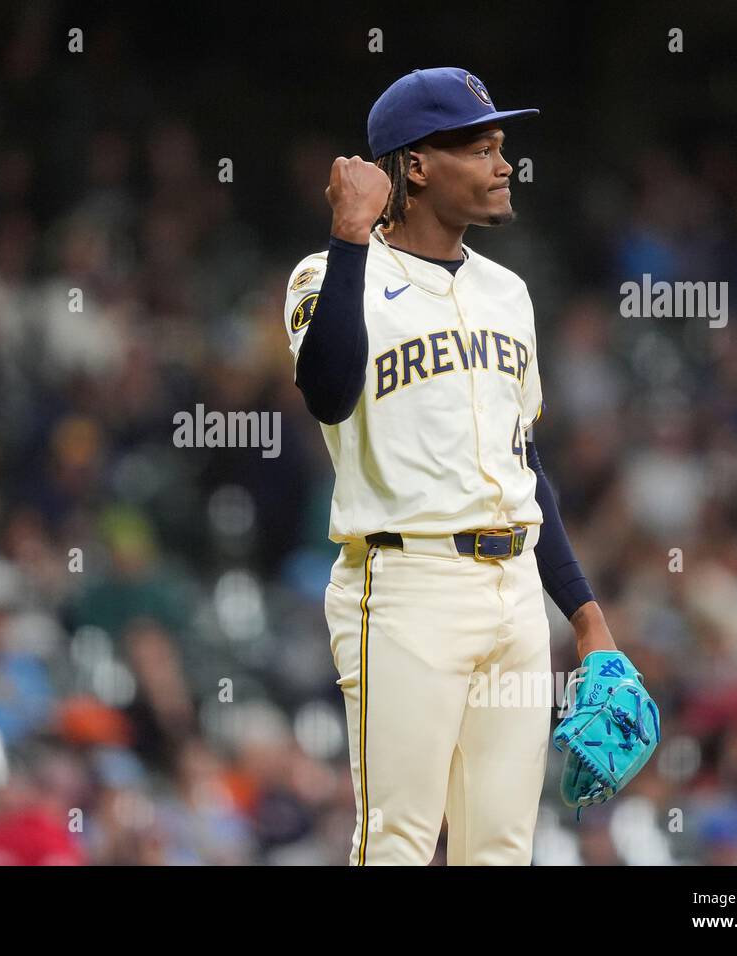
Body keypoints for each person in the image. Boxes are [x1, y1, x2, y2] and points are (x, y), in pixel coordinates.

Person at [282, 67, 617, 865]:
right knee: (396, 843)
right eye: (483, 147)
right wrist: (350, 235)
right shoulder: (327, 274)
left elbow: (525, 467)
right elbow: (328, 394)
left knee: (501, 850)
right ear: (418, 165)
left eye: (503, 146)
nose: (505, 165)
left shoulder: (510, 293)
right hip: (404, 588)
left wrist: (587, 617)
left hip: (512, 596)